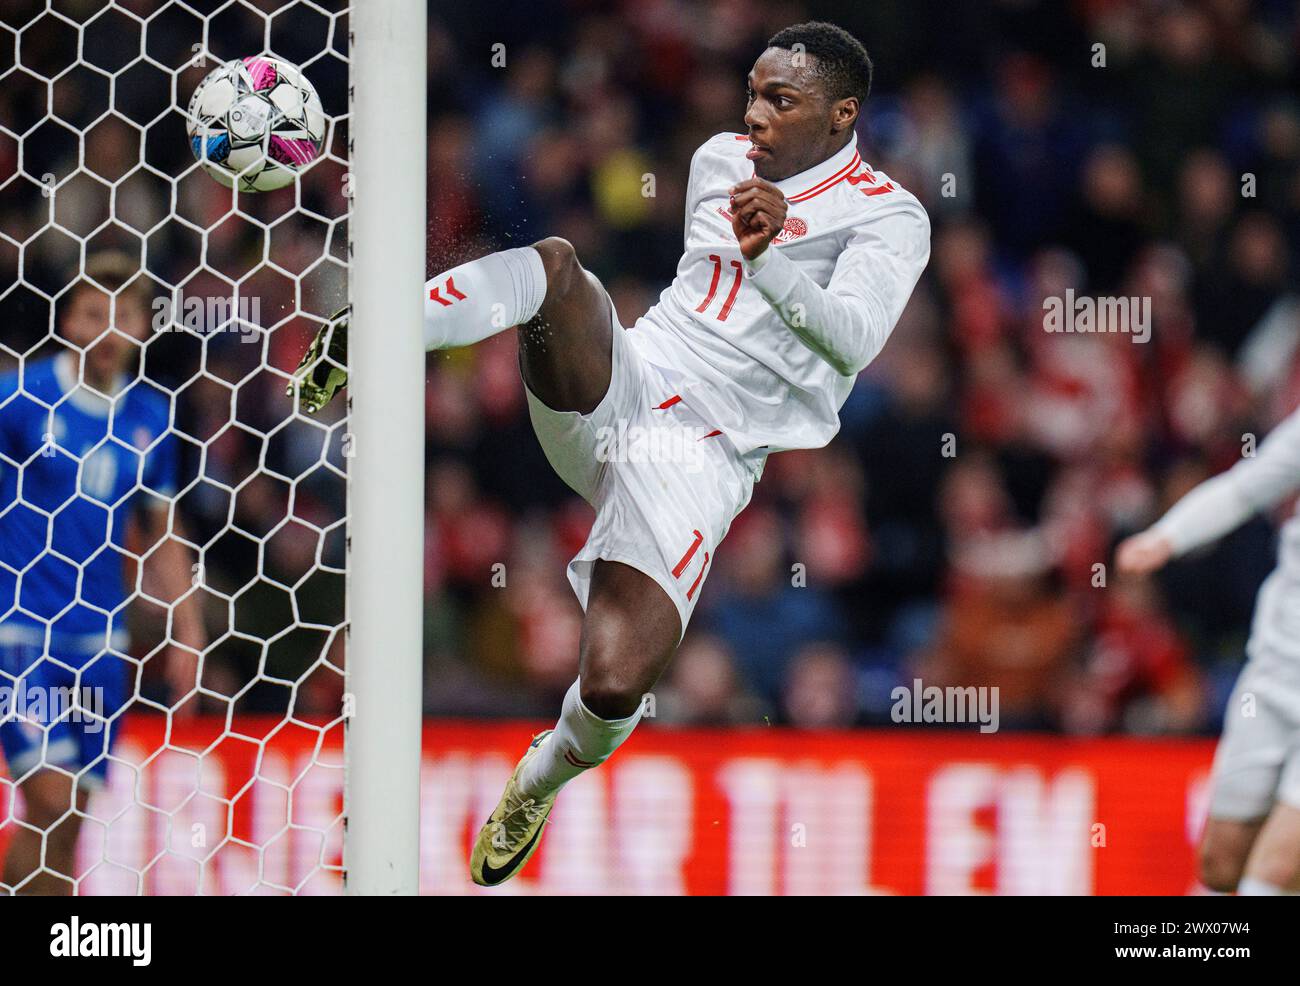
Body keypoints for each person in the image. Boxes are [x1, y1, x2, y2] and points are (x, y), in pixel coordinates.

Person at [291, 21, 929, 886]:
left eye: (782, 100)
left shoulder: (892, 216)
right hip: (634, 375)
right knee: (556, 270)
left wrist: (771, 258)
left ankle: (540, 777)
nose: (758, 114)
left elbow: (852, 341)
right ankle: (381, 329)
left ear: (841, 114)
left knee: (612, 686)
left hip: (706, 457)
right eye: (753, 93)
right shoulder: (717, 160)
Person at [0, 252, 205, 894]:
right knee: (52, 797)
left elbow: (163, 529)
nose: (108, 331)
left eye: (123, 316)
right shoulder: (20, 400)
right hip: (22, 636)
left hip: (101, 645)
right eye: (94, 314)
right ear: (68, 322)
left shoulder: (150, 419)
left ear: (143, 326)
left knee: (68, 823)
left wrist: (188, 625)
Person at [1118, 409, 1300, 895]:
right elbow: (1245, 488)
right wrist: (1167, 536)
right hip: (1276, 675)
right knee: (1221, 864)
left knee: (1275, 869)